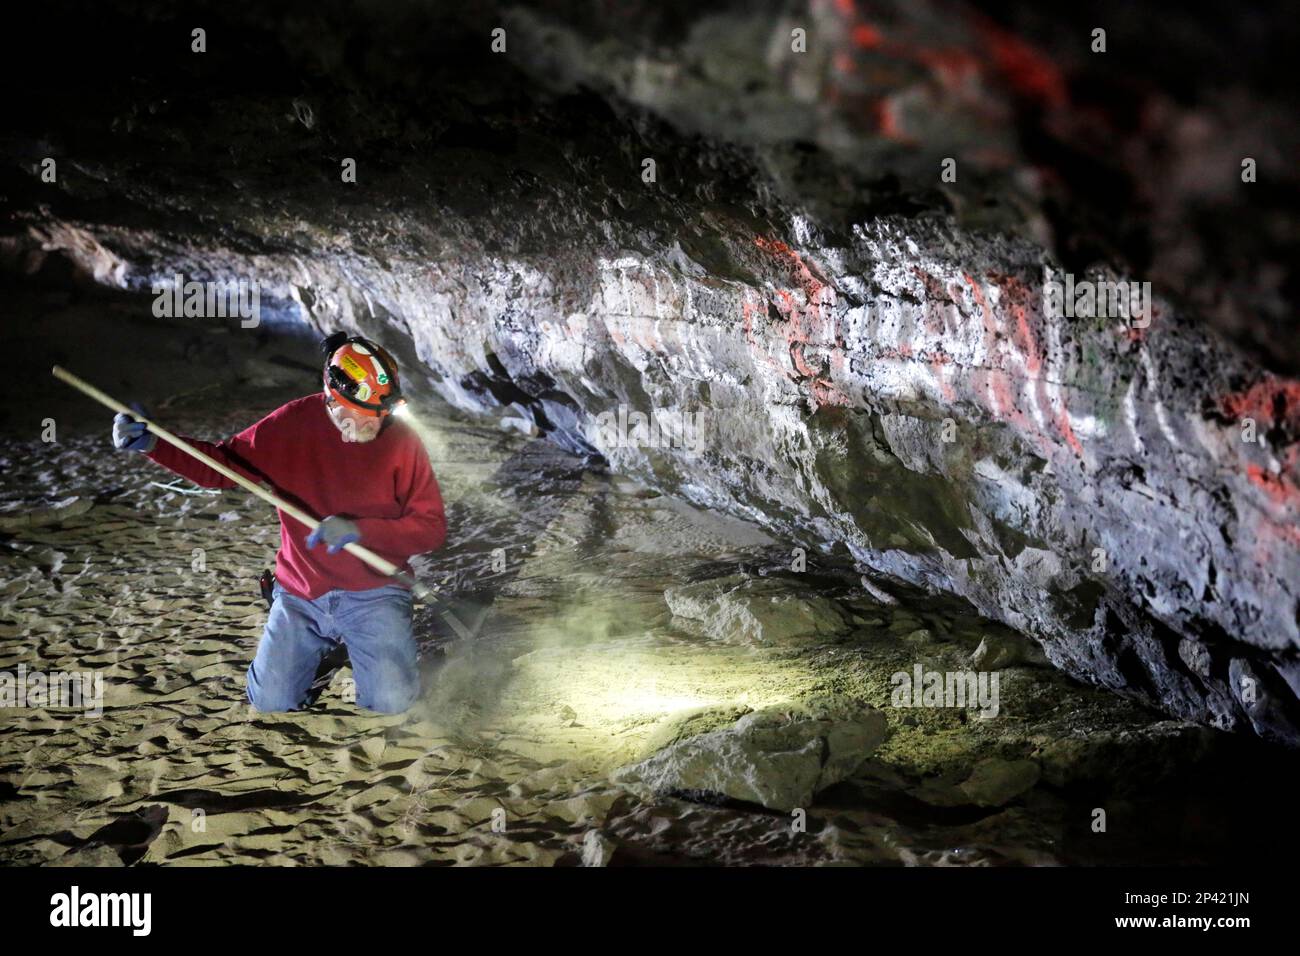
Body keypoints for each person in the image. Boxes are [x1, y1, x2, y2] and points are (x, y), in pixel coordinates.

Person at [112, 332, 446, 714]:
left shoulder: (402, 441)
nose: (377, 424)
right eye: (366, 416)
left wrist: (361, 530)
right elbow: (221, 468)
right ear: (333, 399)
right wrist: (155, 445)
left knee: (391, 704)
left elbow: (431, 527)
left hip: (376, 592)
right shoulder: (289, 425)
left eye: (383, 414)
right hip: (302, 591)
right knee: (271, 702)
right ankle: (309, 643)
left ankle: (354, 645)